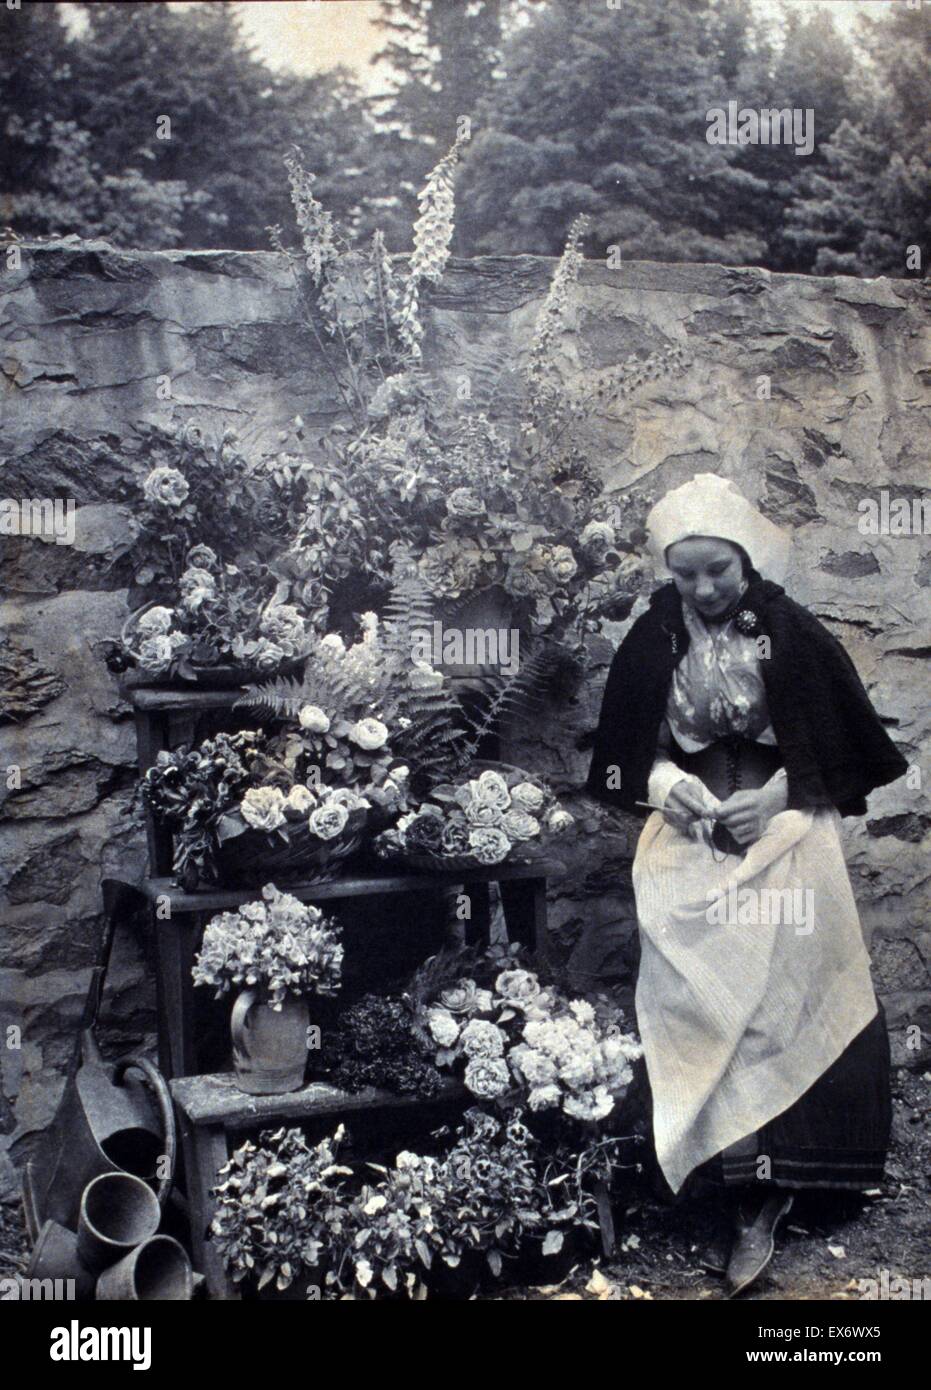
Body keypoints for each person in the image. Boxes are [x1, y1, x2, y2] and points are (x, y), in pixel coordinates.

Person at [586, 473, 907, 1297]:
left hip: (787, 829)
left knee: (785, 994)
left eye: (716, 570)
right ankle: (712, 1176)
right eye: (685, 572)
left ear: (744, 557)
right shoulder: (655, 636)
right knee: (694, 990)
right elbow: (627, 751)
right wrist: (669, 788)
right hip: (692, 835)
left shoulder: (790, 633)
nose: (701, 589)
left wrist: (777, 796)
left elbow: (848, 747)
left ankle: (788, 1176)